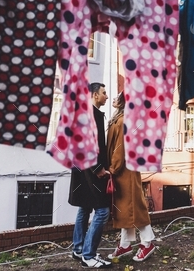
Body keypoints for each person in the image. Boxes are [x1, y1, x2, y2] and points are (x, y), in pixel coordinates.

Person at [106, 91, 156, 262]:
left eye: (116, 97)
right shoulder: (122, 118)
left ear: (122, 101)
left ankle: (147, 242)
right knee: (125, 209)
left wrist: (113, 168)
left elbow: (120, 148)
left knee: (135, 208)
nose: (112, 98)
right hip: (124, 170)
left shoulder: (124, 120)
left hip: (124, 170)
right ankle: (125, 243)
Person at [68, 82, 112, 268]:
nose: (107, 96)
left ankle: (78, 249)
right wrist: (98, 169)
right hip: (91, 173)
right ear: (95, 95)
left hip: (82, 172)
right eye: (104, 93)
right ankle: (88, 254)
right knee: (103, 211)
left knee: (85, 207)